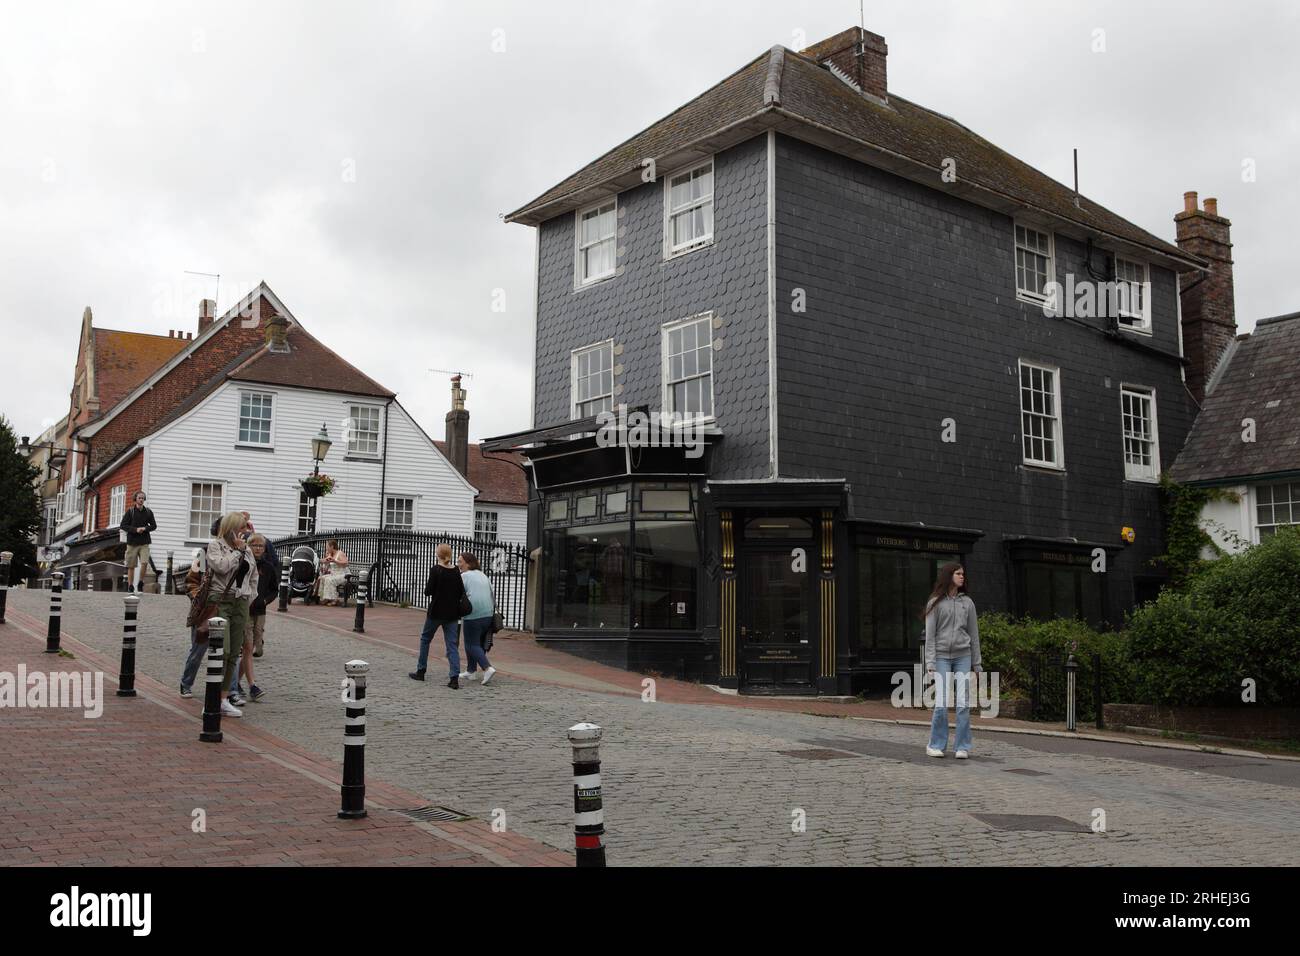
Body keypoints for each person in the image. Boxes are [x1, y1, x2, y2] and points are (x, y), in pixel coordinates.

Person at [922, 562, 981, 759]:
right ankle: (935, 745)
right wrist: (930, 663)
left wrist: (977, 663)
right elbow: (930, 636)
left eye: (963, 574)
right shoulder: (935, 603)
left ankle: (962, 746)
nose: (962, 577)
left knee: (963, 703)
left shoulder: (968, 603)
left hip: (963, 656)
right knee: (941, 703)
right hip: (940, 657)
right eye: (958, 573)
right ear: (949, 576)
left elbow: (974, 635)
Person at [207, 511, 257, 718]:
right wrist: (237, 551)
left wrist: (249, 596)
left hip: (241, 602)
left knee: (234, 653)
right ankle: (211, 699)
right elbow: (220, 567)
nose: (245, 532)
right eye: (242, 528)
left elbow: (253, 576)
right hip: (221, 600)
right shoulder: (216, 545)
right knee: (222, 650)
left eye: (245, 528)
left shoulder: (247, 550)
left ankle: (223, 698)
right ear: (232, 528)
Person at [410, 543, 467, 688]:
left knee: (425, 640)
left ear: (438, 555)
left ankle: (421, 671)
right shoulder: (455, 571)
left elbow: (428, 591)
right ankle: (454, 678)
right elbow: (461, 591)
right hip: (452, 614)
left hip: (436, 612)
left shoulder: (436, 570)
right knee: (452, 645)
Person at [456, 552, 497, 686]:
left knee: (470, 644)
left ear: (468, 563)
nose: (458, 564)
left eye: (460, 561)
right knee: (477, 643)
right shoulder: (483, 575)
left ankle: (487, 668)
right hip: (488, 614)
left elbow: (456, 594)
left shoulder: (464, 576)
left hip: (473, 614)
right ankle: (471, 671)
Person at [179, 548, 207, 699]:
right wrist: (199, 599)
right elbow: (190, 581)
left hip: (226, 610)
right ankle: (186, 683)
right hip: (203, 611)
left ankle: (232, 690)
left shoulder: (237, 553)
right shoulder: (203, 555)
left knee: (231, 656)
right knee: (197, 651)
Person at [119, 491, 157, 592]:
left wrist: (144, 528)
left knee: (144, 563)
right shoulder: (130, 512)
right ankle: (130, 586)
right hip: (132, 543)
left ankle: (140, 582)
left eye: (143, 498)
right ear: (135, 499)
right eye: (139, 498)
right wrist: (135, 529)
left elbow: (154, 526)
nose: (141, 500)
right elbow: (123, 525)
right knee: (131, 565)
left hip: (144, 542)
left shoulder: (148, 512)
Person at [316, 539, 349, 606]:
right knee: (322, 578)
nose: (326, 548)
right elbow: (325, 561)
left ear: (332, 546)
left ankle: (334, 599)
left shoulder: (340, 553)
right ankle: (325, 598)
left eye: (327, 546)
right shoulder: (330, 554)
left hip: (343, 575)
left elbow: (346, 563)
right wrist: (320, 560)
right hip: (334, 574)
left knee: (329, 580)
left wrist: (335, 561)